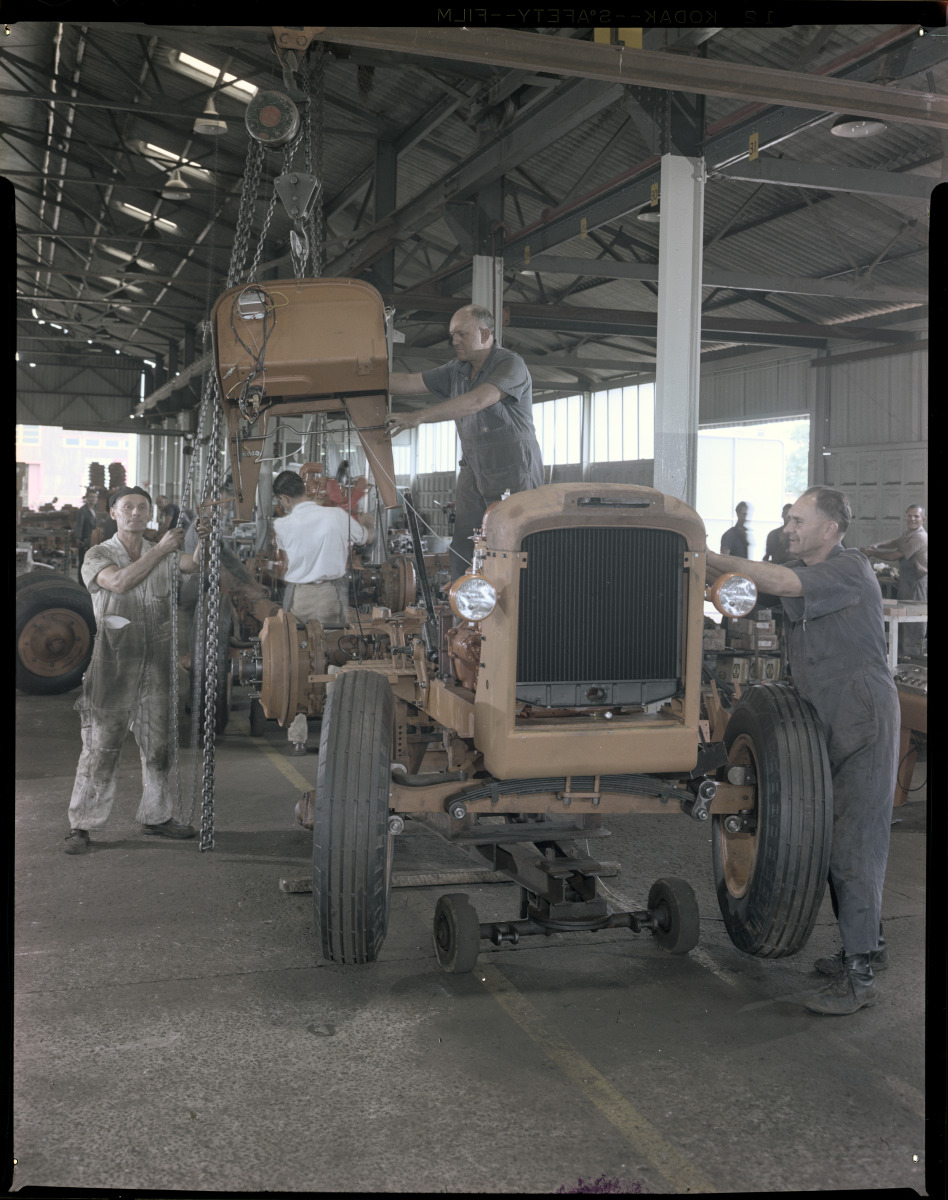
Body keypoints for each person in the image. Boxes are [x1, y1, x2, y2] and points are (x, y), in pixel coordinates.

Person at [706, 486, 900, 1016]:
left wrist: (710, 555)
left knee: (853, 843)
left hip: (861, 714)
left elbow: (781, 582)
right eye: (788, 519)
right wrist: (701, 572)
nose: (788, 528)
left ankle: (859, 977)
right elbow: (754, 589)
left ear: (830, 529)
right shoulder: (806, 573)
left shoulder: (849, 568)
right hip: (826, 716)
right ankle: (870, 945)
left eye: (797, 520)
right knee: (835, 837)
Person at [64, 486, 209, 854]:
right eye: (127, 507)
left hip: (157, 663)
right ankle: (82, 825)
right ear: (113, 513)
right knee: (101, 747)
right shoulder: (98, 554)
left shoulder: (163, 552)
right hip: (114, 663)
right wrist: (160, 550)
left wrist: (205, 536)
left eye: (142, 507)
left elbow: (194, 564)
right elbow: (119, 582)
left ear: (150, 514)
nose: (136, 513)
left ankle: (156, 816)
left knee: (160, 747)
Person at [385, 304, 544, 579]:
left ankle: (518, 603)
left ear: (485, 334)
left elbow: (477, 401)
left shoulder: (510, 363)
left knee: (513, 543)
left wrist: (418, 416)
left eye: (462, 334)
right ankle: (463, 601)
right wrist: (359, 378)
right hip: (473, 468)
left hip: (513, 467)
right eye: (452, 335)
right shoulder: (457, 370)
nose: (454, 341)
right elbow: (410, 381)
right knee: (464, 545)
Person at [861, 504, 928, 659]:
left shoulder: (920, 537)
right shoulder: (909, 533)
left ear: (923, 519)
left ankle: (914, 659)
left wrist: (873, 552)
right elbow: (896, 542)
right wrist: (877, 545)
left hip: (918, 584)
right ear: (905, 517)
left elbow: (894, 555)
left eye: (916, 516)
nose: (912, 519)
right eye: (909, 515)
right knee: (903, 621)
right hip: (907, 582)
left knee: (914, 622)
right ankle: (902, 657)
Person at [73, 489, 98, 585]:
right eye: (91, 497)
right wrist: (78, 538)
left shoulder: (95, 510)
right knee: (83, 563)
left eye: (95, 497)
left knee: (91, 563)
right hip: (84, 540)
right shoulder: (82, 511)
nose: (93, 499)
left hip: (93, 540)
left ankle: (89, 583)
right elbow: (79, 525)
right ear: (87, 498)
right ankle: (81, 584)